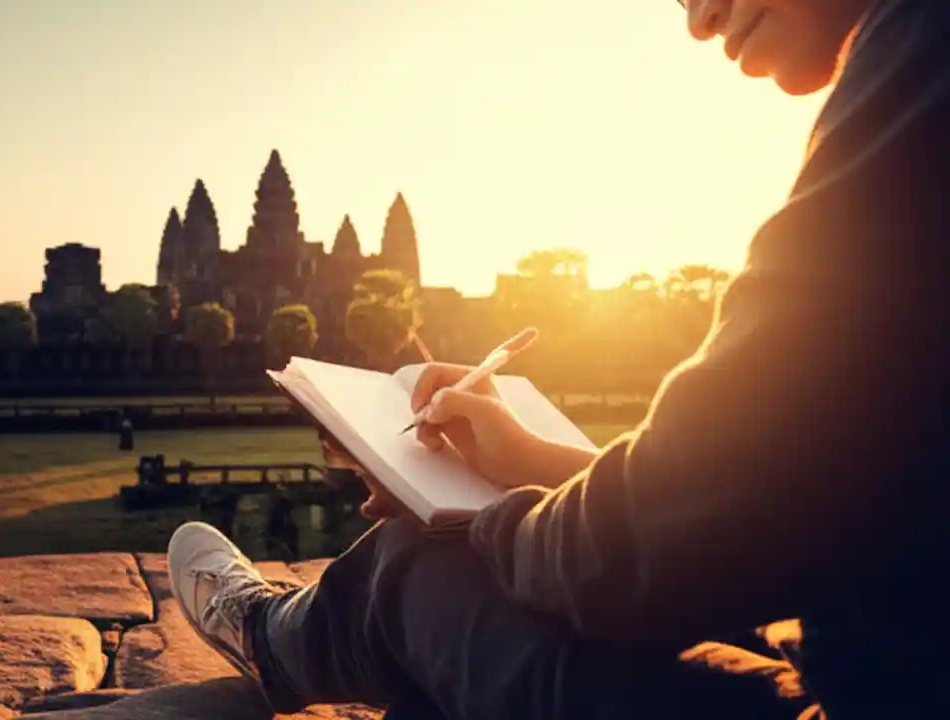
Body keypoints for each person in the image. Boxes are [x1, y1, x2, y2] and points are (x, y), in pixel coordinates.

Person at [167, 0, 950, 717]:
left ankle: (271, 638)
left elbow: (644, 556)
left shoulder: (926, 54)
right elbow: (770, 497)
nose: (699, 20)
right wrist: (535, 463)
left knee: (416, 569)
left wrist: (477, 523)